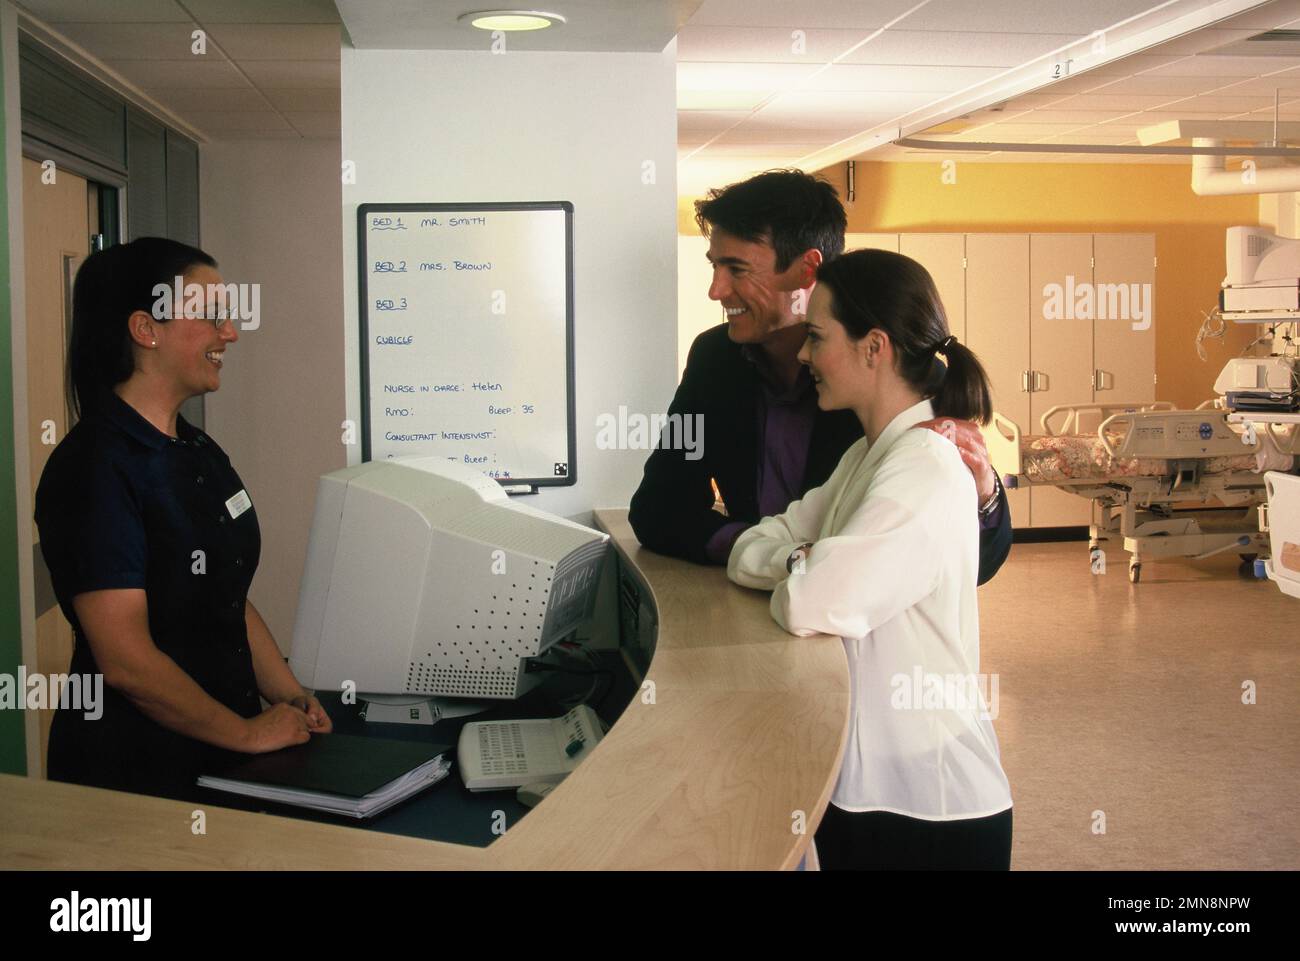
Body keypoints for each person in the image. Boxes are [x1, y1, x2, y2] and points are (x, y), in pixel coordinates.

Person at [728, 249, 1012, 870]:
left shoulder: (923, 467)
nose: (804, 356)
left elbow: (810, 602)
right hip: (872, 792)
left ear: (873, 347)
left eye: (817, 338)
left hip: (929, 809)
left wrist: (804, 569)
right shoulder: (866, 457)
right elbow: (751, 548)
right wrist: (804, 558)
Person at [35, 237, 331, 804]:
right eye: (211, 316)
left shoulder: (197, 450)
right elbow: (126, 663)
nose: (231, 333)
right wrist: (246, 732)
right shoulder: (94, 466)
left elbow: (225, 595)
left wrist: (289, 696)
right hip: (136, 776)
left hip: (228, 756)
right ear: (146, 330)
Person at [628, 170, 1012, 583]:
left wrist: (985, 496)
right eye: (715, 266)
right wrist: (770, 555)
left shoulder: (904, 382)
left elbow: (972, 561)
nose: (716, 290)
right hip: (759, 605)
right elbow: (656, 508)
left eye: (736, 269)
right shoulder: (714, 359)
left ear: (806, 269)